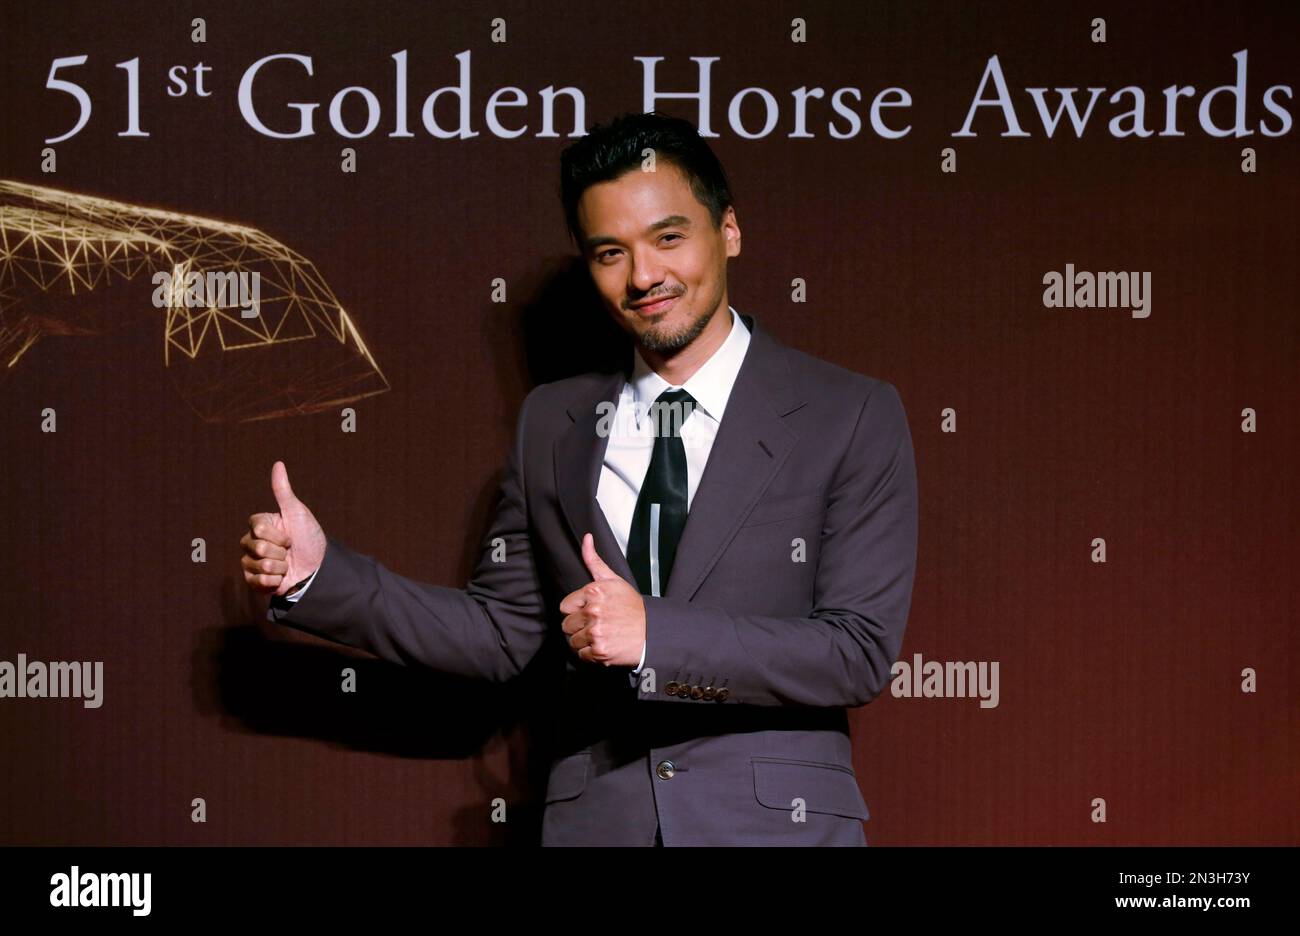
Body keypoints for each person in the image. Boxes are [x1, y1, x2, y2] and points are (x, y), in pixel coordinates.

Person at [240, 111, 918, 846]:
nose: (644, 276)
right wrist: (321, 577)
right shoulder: (552, 424)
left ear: (728, 230)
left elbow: (855, 652)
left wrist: (654, 635)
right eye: (609, 252)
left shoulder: (847, 412)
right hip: (599, 826)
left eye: (668, 237)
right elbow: (503, 634)